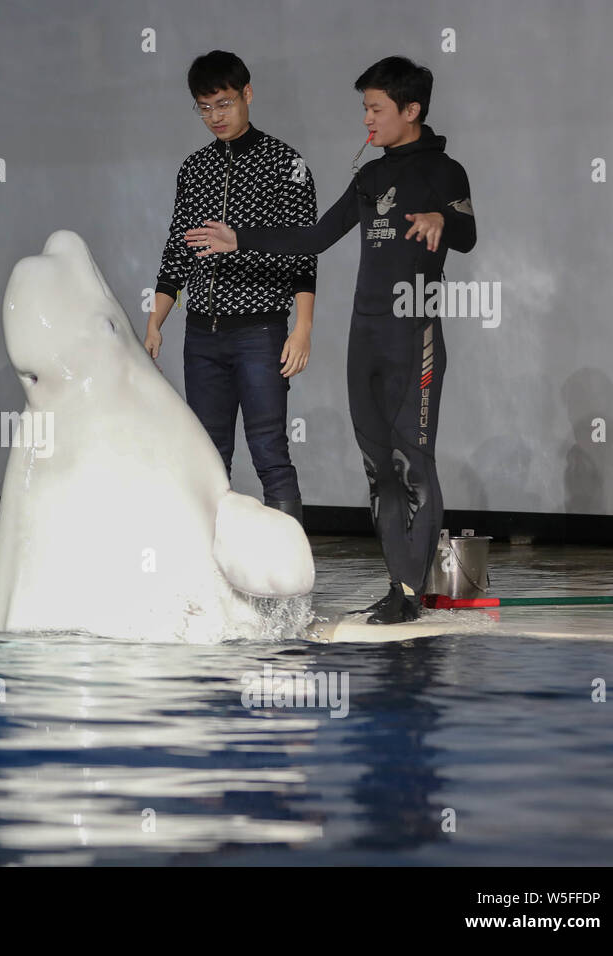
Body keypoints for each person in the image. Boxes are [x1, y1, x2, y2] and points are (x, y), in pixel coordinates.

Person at [189, 56, 477, 624]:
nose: (366, 118)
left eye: (375, 108)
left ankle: (413, 594)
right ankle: (398, 583)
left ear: (410, 111)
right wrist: (239, 238)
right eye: (364, 108)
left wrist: (442, 219)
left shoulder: (445, 171)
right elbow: (316, 237)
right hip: (364, 336)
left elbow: (466, 233)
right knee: (378, 469)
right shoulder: (370, 177)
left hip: (412, 332)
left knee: (412, 462)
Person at [145, 50, 318, 526]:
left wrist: (302, 329)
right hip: (201, 333)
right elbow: (177, 252)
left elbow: (303, 254)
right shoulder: (193, 168)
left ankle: (290, 581)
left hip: (259, 331)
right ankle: (209, 573)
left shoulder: (287, 164)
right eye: (204, 108)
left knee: (269, 452)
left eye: (223, 103)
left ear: (247, 94)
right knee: (206, 457)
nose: (214, 117)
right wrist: (156, 320)